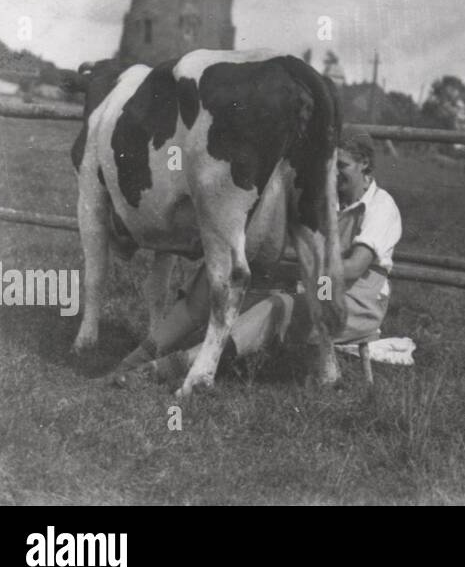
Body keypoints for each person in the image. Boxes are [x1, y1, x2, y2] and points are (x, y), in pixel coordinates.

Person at [114, 132, 402, 385]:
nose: (335, 175)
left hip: (358, 303)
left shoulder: (381, 207)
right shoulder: (328, 200)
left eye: (342, 166)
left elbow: (353, 269)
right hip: (318, 287)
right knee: (219, 281)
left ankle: (168, 368)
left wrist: (303, 270)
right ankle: (134, 360)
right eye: (330, 167)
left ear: (364, 163)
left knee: (276, 307)